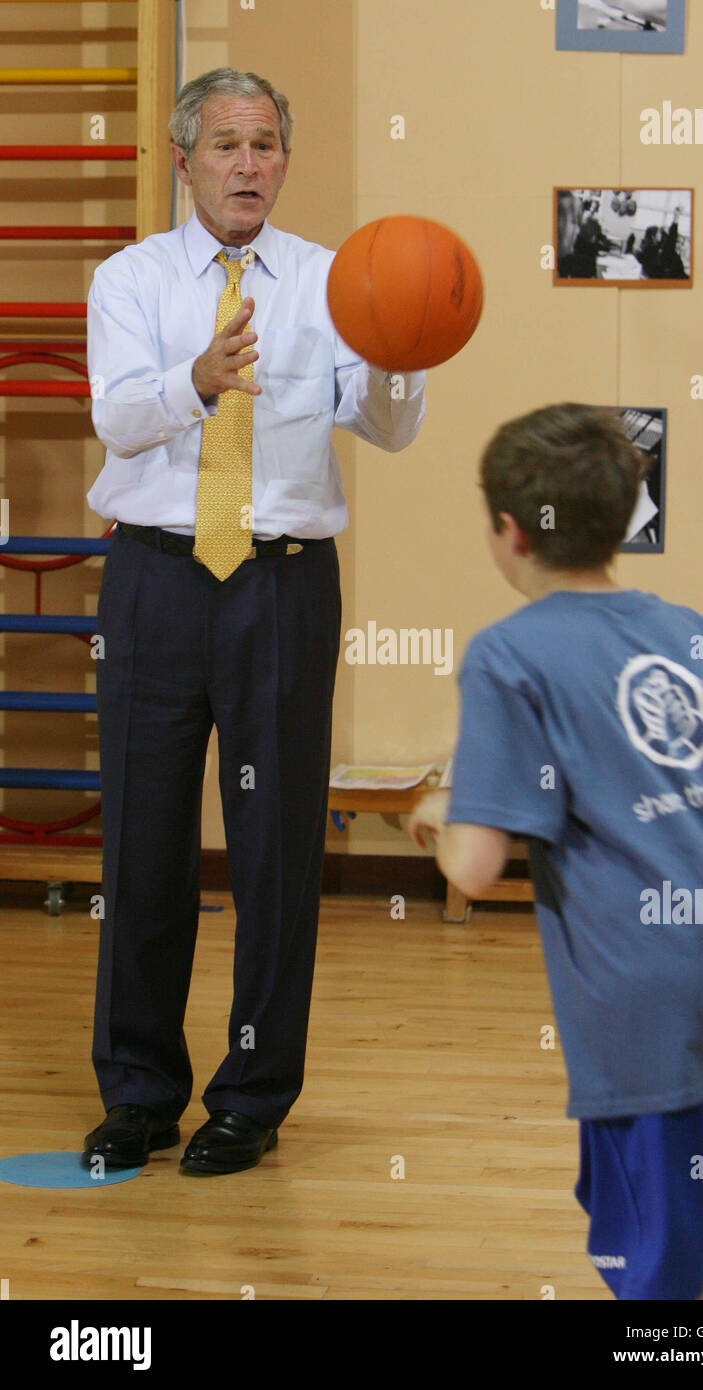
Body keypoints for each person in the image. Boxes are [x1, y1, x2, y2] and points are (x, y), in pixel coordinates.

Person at [82, 67, 426, 1175]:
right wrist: (195, 377)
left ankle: (251, 1096)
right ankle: (138, 1090)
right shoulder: (129, 279)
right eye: (226, 144)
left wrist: (403, 351)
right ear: (184, 158)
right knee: (143, 842)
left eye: (267, 145)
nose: (248, 164)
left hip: (280, 585)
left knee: (275, 851)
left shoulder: (338, 283)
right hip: (155, 582)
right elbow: (118, 416)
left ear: (285, 160)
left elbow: (383, 426)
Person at [408, 402, 703, 1300]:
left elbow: (474, 866)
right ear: (626, 515)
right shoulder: (701, 635)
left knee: (654, 1276)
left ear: (508, 531)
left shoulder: (510, 656)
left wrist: (441, 817)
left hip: (649, 1011)